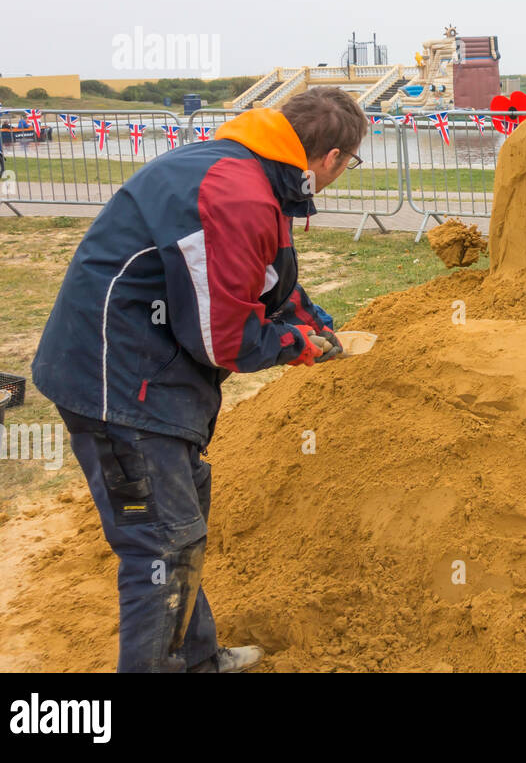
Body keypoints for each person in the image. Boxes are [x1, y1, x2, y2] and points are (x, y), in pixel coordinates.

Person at [32, 88, 367, 672]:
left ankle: (198, 658)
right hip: (120, 384)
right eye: (349, 164)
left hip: (140, 370)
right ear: (332, 158)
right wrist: (295, 344)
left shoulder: (251, 172)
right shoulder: (238, 193)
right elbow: (223, 339)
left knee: (179, 530)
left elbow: (259, 277)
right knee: (161, 545)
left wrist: (306, 317)